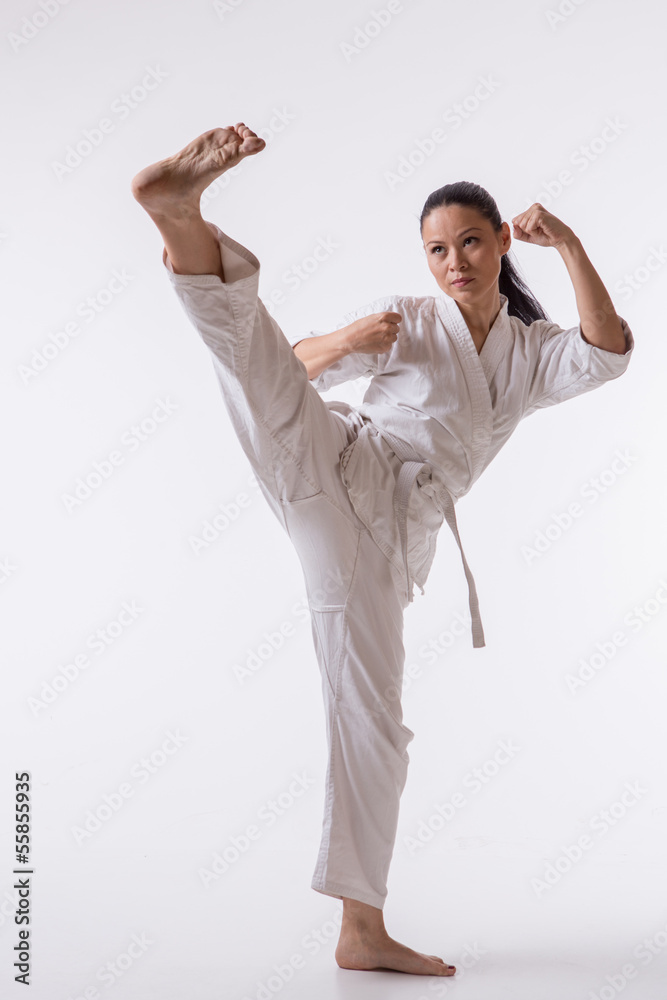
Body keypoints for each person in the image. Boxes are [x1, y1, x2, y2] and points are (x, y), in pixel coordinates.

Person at [130, 123, 634, 977]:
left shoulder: (529, 351)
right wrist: (351, 342)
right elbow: (293, 365)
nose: (453, 263)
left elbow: (608, 354)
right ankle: (179, 217)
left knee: (374, 722)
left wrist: (575, 247)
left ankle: (360, 929)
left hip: (383, 535)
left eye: (469, 242)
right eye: (436, 249)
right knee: (262, 383)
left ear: (503, 240)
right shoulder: (407, 317)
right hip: (339, 452)